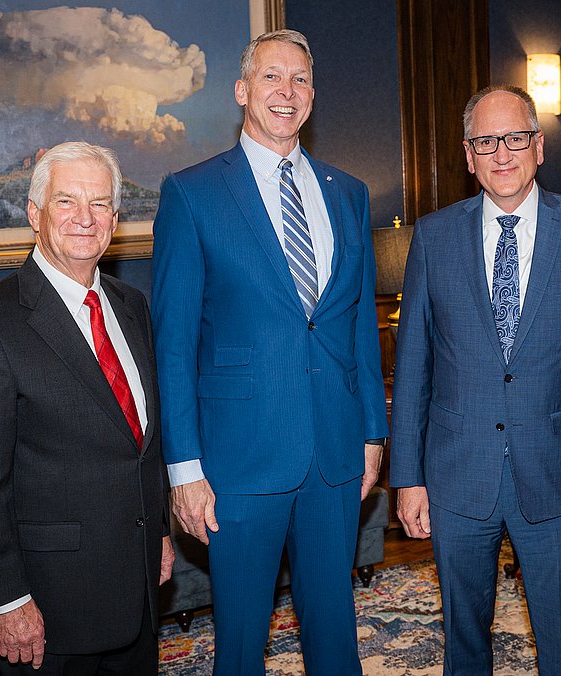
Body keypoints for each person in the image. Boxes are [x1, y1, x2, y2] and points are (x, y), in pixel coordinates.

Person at [150, 29, 388, 674]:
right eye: (272, 78)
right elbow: (171, 347)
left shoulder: (349, 193)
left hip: (335, 450)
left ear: (313, 94)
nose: (287, 92)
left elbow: (357, 325)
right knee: (241, 643)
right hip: (238, 459)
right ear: (242, 92)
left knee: (336, 632)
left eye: (301, 79)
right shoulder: (192, 193)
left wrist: (373, 432)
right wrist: (184, 469)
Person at [389, 85, 561, 674]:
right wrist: (408, 478)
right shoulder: (432, 237)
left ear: (538, 146)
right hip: (456, 478)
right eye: (485, 141)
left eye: (515, 138)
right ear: (468, 156)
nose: (502, 153)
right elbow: (414, 366)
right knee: (464, 645)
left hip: (558, 479)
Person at [0, 141, 173, 674]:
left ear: (115, 218)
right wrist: (7, 600)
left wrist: (157, 530)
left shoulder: (131, 306)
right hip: (48, 608)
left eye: (99, 205)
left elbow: (141, 442)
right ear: (34, 214)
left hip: (134, 591)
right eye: (67, 202)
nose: (85, 219)